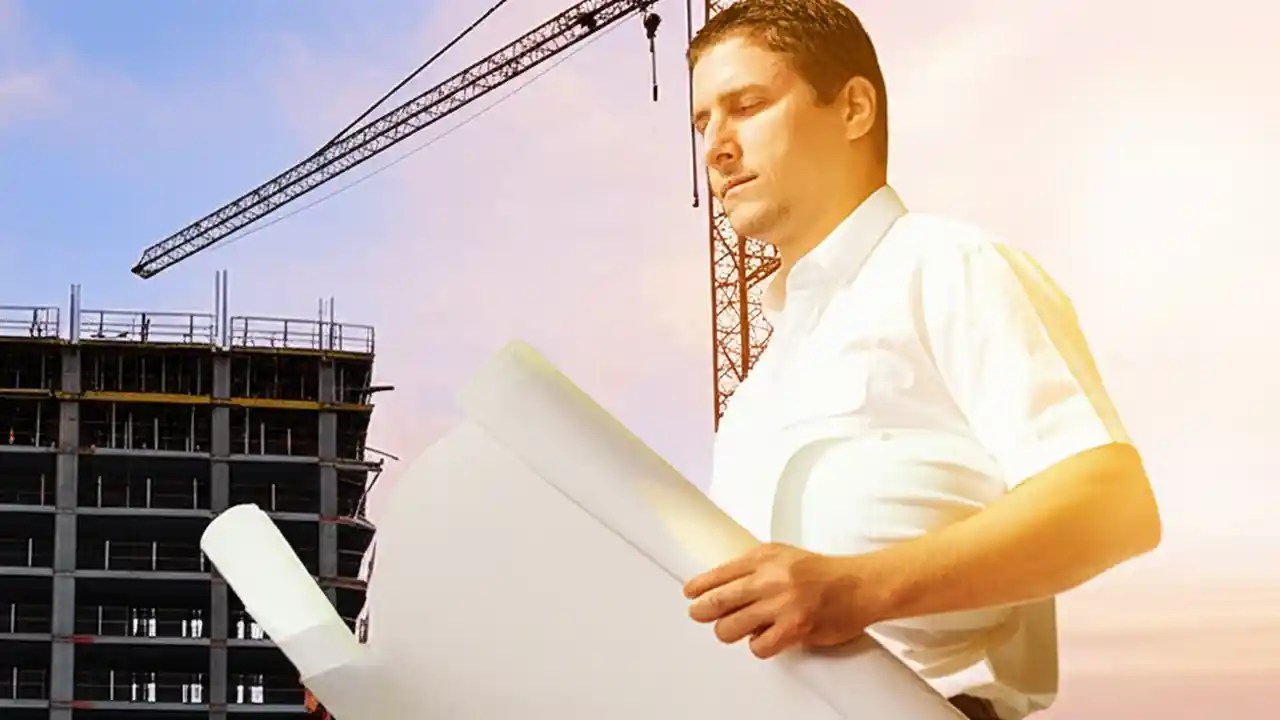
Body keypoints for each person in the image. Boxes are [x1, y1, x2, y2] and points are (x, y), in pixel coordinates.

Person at [681, 2, 1162, 719]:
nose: (716, 146)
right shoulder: (759, 387)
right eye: (702, 123)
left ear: (852, 108)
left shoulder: (949, 265)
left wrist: (856, 590)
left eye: (746, 106)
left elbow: (1114, 504)